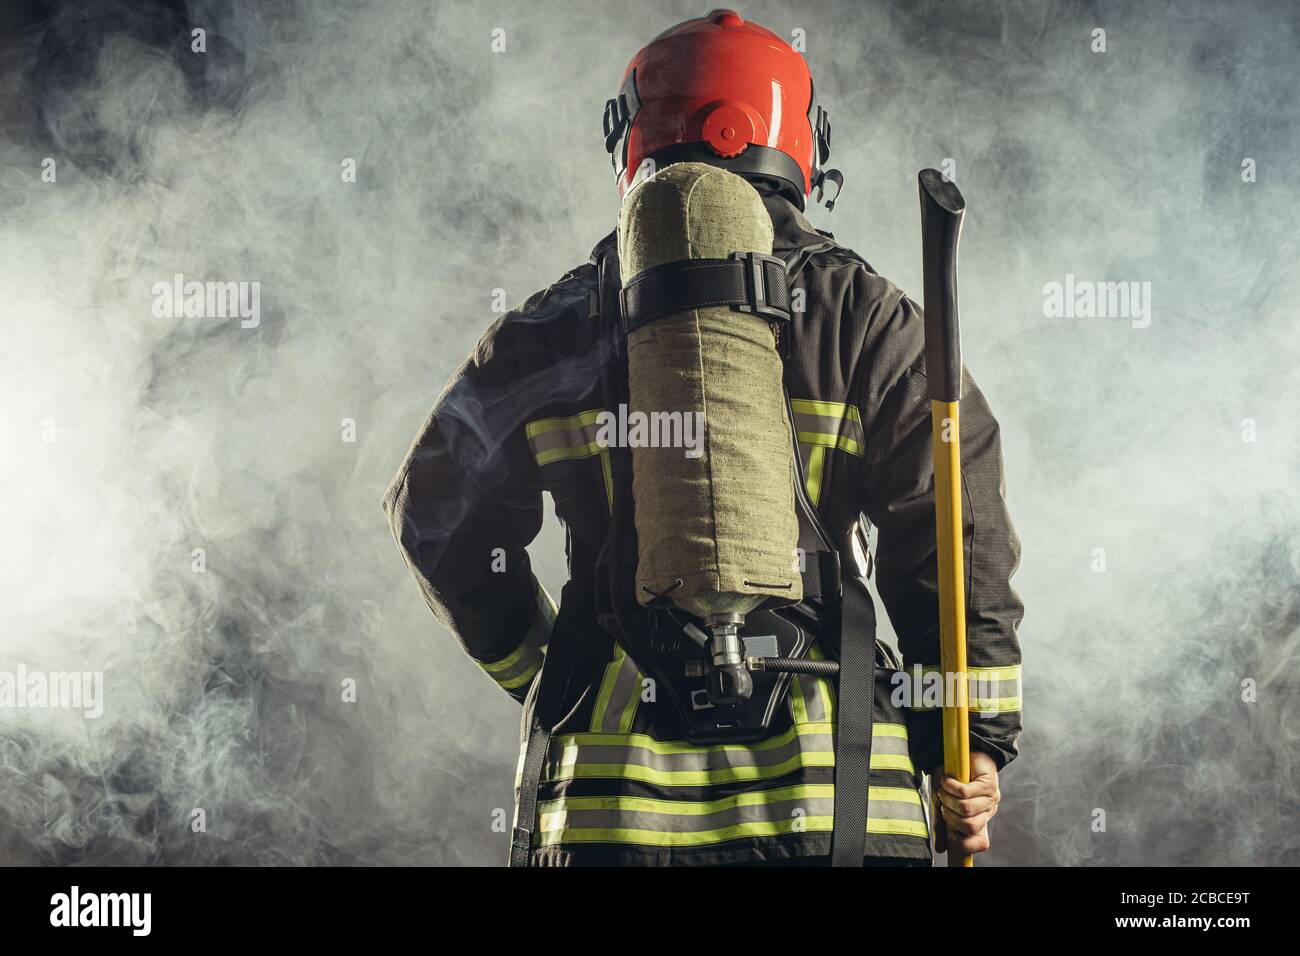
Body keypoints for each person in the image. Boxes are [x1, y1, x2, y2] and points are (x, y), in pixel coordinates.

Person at [383, 9, 1023, 866]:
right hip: (839, 802)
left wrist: (547, 671)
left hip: (610, 820)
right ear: (800, 141)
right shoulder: (868, 317)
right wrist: (967, 742)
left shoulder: (554, 325)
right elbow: (955, 533)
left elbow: (434, 512)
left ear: (633, 142)